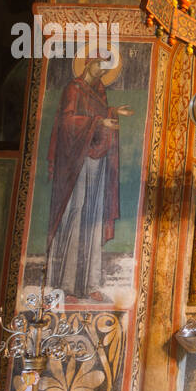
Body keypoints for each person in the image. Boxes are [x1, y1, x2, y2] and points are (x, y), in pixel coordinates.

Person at [47, 52, 131, 301]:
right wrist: (99, 122)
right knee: (77, 211)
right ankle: (68, 284)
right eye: (99, 66)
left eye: (106, 69)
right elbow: (66, 122)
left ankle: (91, 283)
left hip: (97, 159)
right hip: (77, 161)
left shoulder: (99, 92)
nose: (102, 72)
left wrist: (113, 112)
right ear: (88, 63)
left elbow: (102, 116)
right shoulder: (74, 89)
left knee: (94, 215)